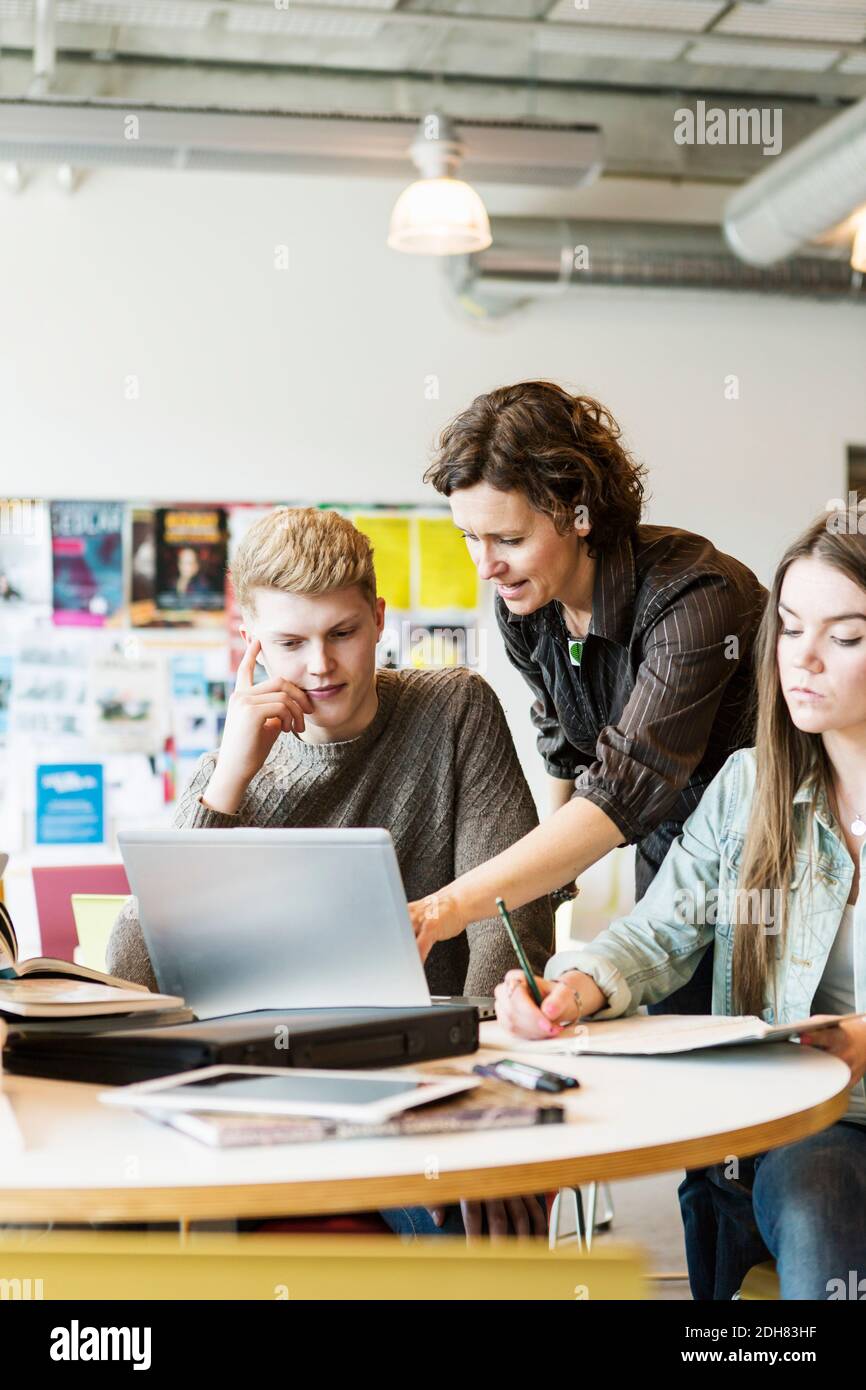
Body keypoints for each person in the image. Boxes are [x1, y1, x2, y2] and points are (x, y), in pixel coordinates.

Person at [108, 505, 553, 1238]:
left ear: (378, 619)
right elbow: (134, 961)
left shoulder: (455, 710)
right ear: (250, 644)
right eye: (289, 642)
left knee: (471, 1238)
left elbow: (512, 923)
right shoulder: (223, 773)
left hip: (427, 1084)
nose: (320, 665)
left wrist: (483, 1106)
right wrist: (230, 782)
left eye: (342, 633)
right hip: (267, 1093)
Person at [493, 509, 866, 1298]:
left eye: (845, 636)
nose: (802, 659)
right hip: (816, 1123)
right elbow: (661, 929)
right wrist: (578, 986)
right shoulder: (746, 789)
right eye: (790, 629)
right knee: (817, 1193)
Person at [412, 380, 767, 1021]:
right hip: (669, 862)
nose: (485, 566)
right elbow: (565, 747)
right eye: (469, 537)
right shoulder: (526, 605)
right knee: (671, 1044)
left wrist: (448, 906)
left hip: (771, 854)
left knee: (766, 1051)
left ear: (580, 513)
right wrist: (550, 891)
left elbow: (622, 788)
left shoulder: (693, 597)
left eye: (508, 539)